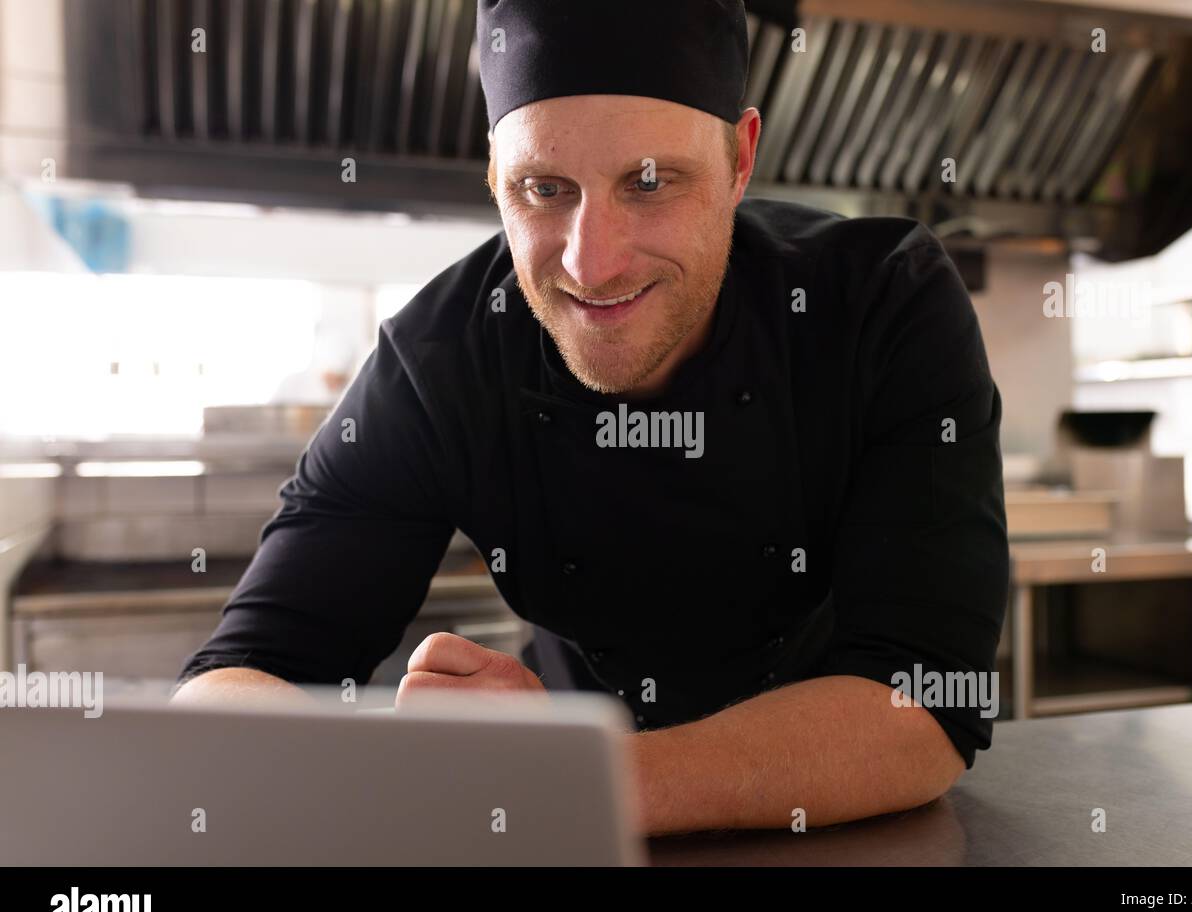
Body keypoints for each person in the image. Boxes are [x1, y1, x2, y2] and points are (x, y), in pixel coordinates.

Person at [174, 0, 1010, 837]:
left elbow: (925, 704)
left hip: (849, 830)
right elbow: (230, 684)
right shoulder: (442, 359)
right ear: (496, 174)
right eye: (545, 189)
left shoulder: (883, 305)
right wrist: (402, 768)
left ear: (740, 159)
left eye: (649, 183)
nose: (591, 261)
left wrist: (567, 777)